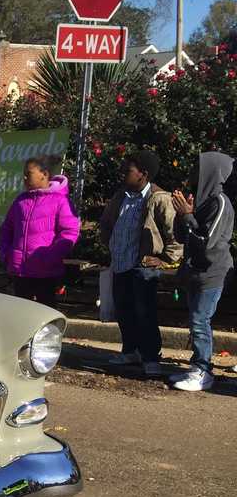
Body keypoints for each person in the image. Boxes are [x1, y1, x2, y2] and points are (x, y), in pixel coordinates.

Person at [99, 151, 183, 376]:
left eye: (128, 170)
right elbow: (107, 222)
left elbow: (174, 233)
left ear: (143, 175)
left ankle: (150, 356)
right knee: (124, 309)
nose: (123, 173)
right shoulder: (121, 196)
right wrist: (109, 243)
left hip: (144, 265)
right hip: (120, 261)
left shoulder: (158, 198)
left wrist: (166, 258)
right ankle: (130, 351)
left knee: (144, 312)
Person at [169, 152, 234, 392]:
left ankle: (203, 371)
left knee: (200, 320)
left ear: (210, 172)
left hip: (212, 272)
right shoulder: (200, 199)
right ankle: (197, 366)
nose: (191, 172)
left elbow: (206, 243)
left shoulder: (220, 202)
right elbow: (182, 237)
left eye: (197, 168)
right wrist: (182, 215)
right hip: (195, 271)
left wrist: (188, 215)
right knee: (195, 320)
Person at [0, 155, 81, 307]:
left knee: (46, 318)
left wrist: (50, 257)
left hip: (45, 274)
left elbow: (69, 232)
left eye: (28, 173)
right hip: (20, 272)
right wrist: (6, 254)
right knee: (21, 315)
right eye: (23, 173)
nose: (24, 177)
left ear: (44, 174)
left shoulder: (60, 201)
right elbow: (6, 230)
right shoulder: (20, 201)